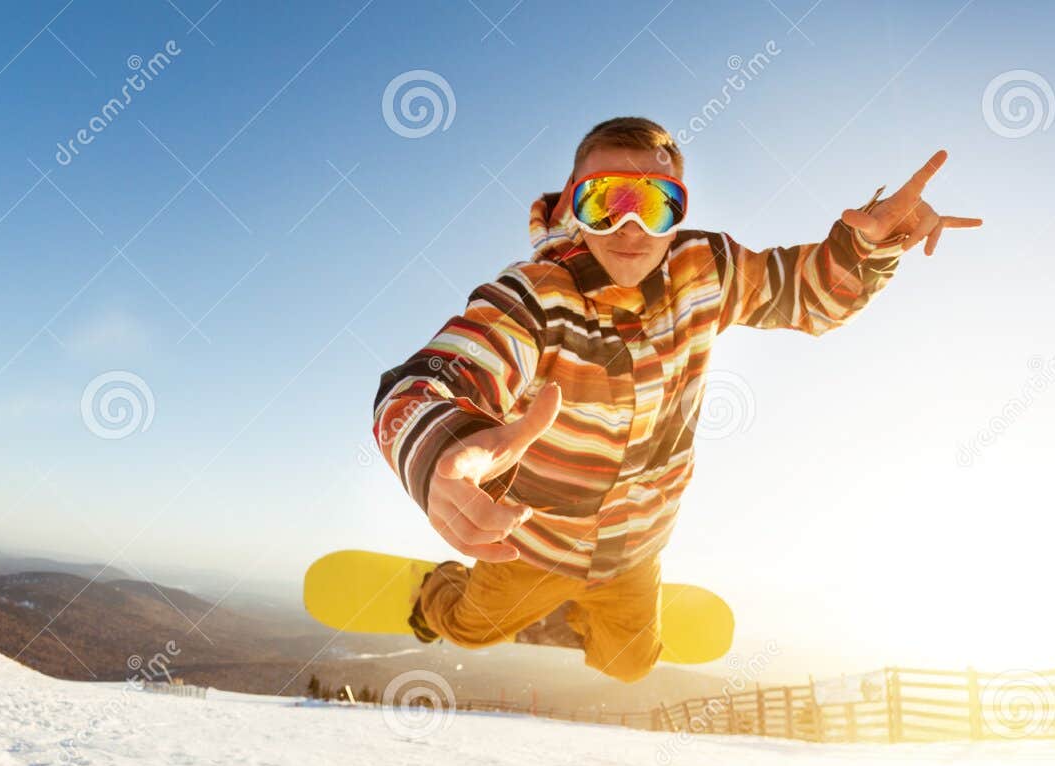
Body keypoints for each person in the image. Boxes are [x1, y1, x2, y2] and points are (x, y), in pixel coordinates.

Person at [372, 116, 979, 682]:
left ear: (679, 210)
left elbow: (809, 295)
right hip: (532, 542)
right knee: (468, 631)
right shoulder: (538, 296)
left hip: (636, 548)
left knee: (631, 667)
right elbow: (456, 362)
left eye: (657, 204)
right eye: (605, 203)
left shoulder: (703, 271)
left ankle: (576, 621)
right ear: (574, 208)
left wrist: (868, 245)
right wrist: (442, 444)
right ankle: (437, 594)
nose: (631, 229)